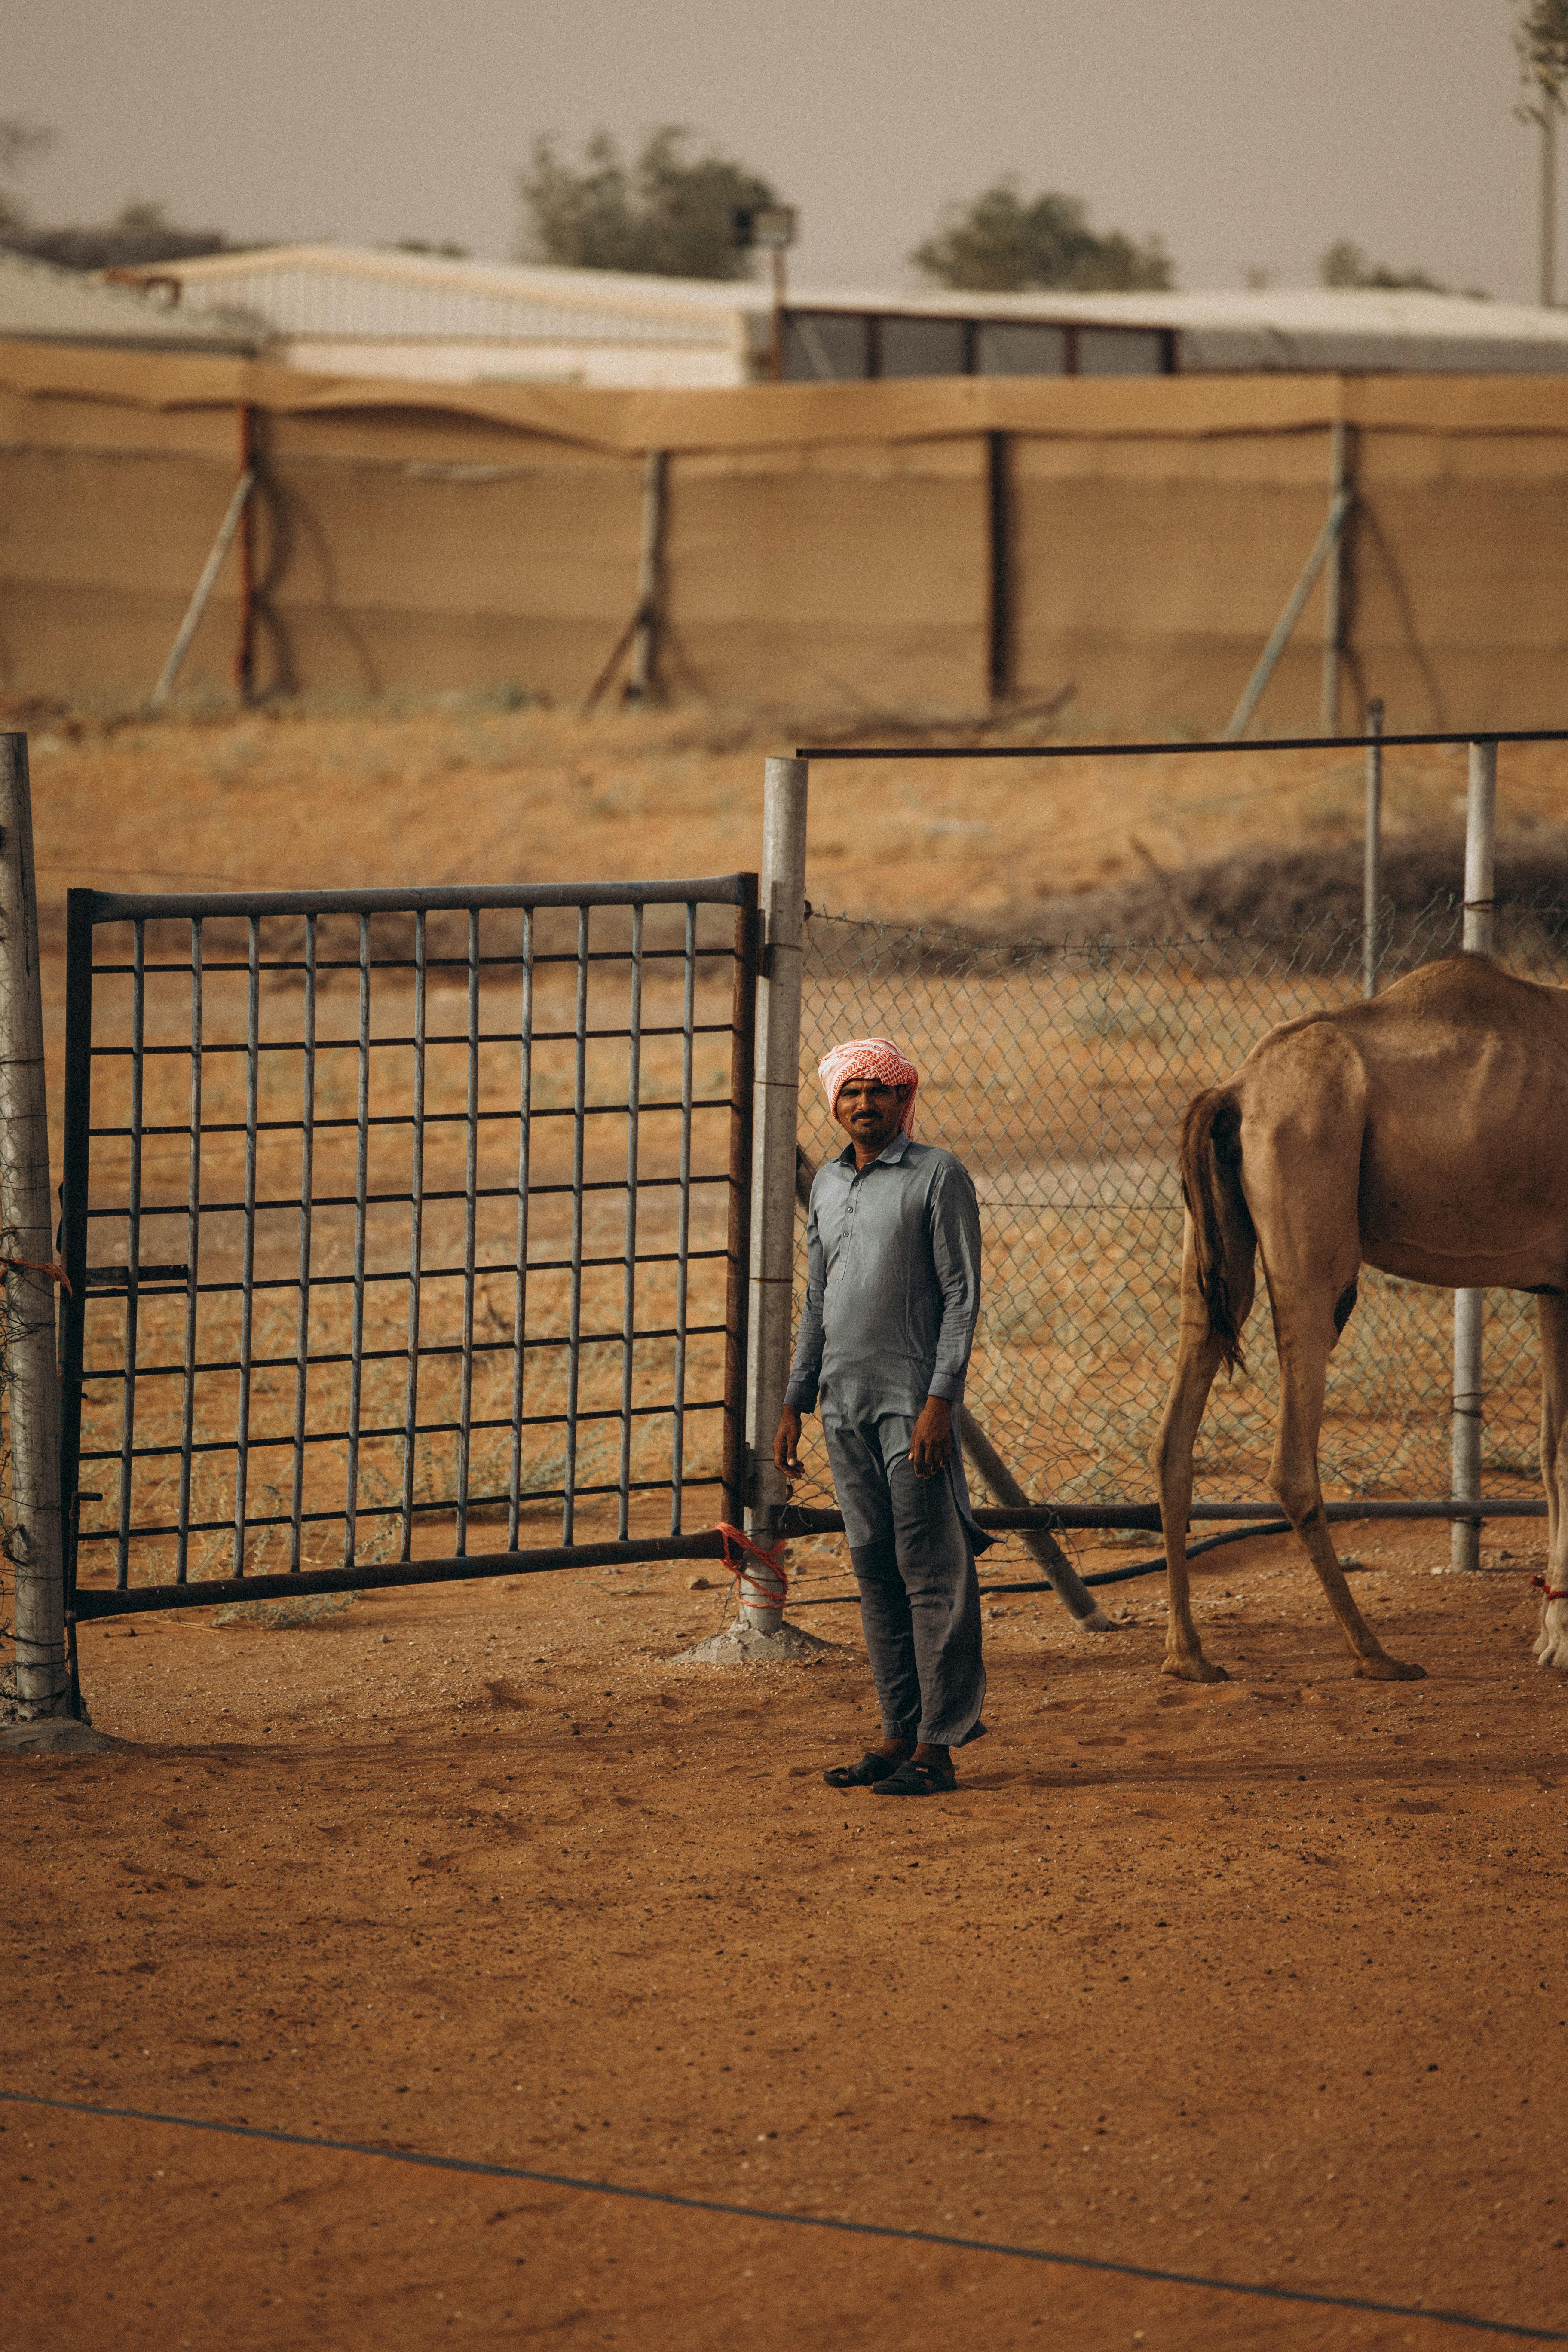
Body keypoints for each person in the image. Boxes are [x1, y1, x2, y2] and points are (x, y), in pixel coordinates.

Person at [774, 1036, 990, 1797]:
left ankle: (940, 1745)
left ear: (906, 1100)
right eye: (851, 1092)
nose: (866, 1103)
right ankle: (897, 1733)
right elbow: (819, 1300)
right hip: (843, 1408)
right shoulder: (829, 1187)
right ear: (835, 1104)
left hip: (911, 1409)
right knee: (874, 1573)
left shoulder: (938, 1176)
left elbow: (961, 1298)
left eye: (881, 1091)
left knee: (932, 1570)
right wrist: (797, 1399)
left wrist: (941, 1400)